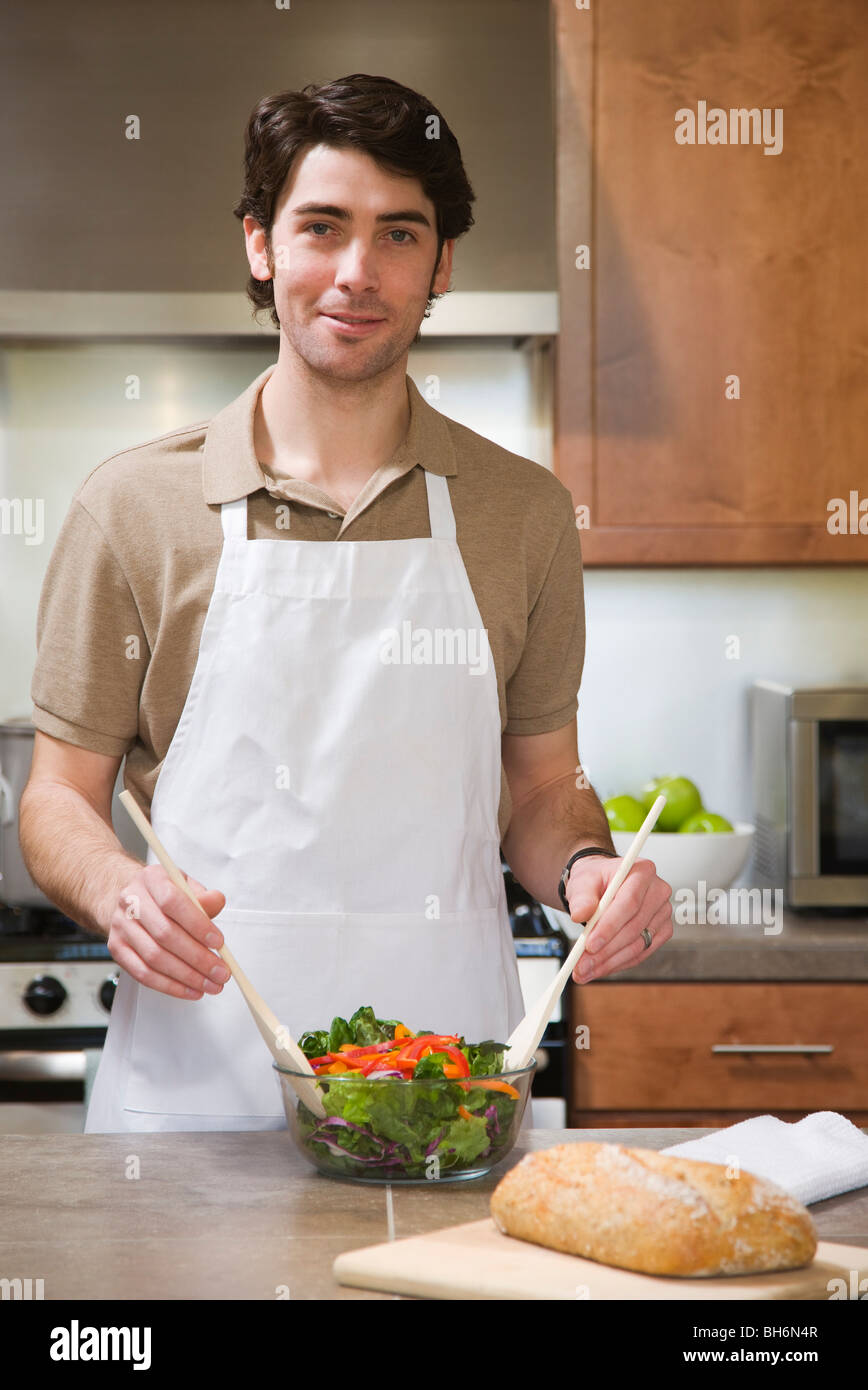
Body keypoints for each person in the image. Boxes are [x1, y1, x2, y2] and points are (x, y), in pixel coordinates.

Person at [19, 73, 673, 1132]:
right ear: (260, 244)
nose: (357, 273)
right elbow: (57, 796)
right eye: (321, 226)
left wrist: (593, 869)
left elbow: (546, 789)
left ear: (441, 262)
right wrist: (112, 889)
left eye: (399, 235)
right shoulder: (131, 506)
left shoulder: (523, 513)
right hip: (200, 1099)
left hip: (448, 1098)